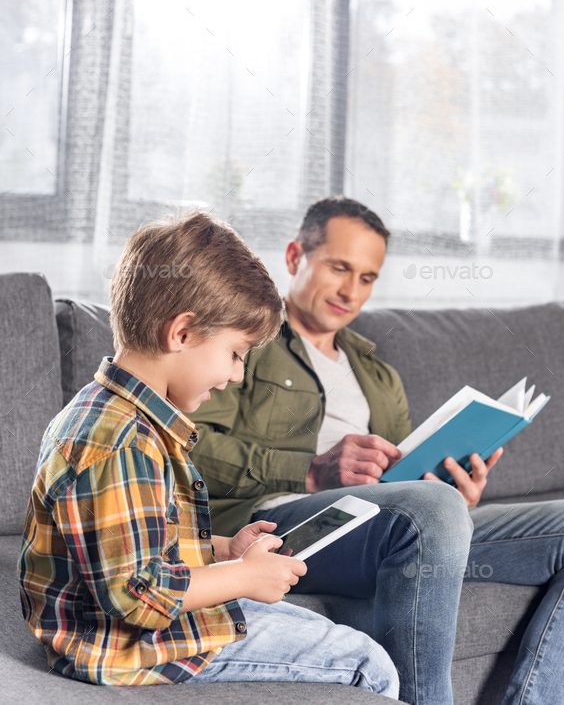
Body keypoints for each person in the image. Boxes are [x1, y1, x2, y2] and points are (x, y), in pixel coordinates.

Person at [189, 196, 564, 705]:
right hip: (282, 522)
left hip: (391, 524)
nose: (351, 290)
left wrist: (448, 490)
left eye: (367, 277)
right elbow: (191, 451)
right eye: (339, 267)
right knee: (431, 512)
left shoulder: (378, 374)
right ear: (295, 257)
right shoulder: (248, 344)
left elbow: (408, 482)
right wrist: (313, 472)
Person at [18, 210, 400, 696]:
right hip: (131, 646)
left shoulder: (123, 419)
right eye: (236, 353)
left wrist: (225, 552)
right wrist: (241, 577)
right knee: (370, 662)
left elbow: (141, 542)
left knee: (321, 629)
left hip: (138, 630)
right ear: (181, 333)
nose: (237, 375)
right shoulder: (119, 443)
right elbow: (140, 595)